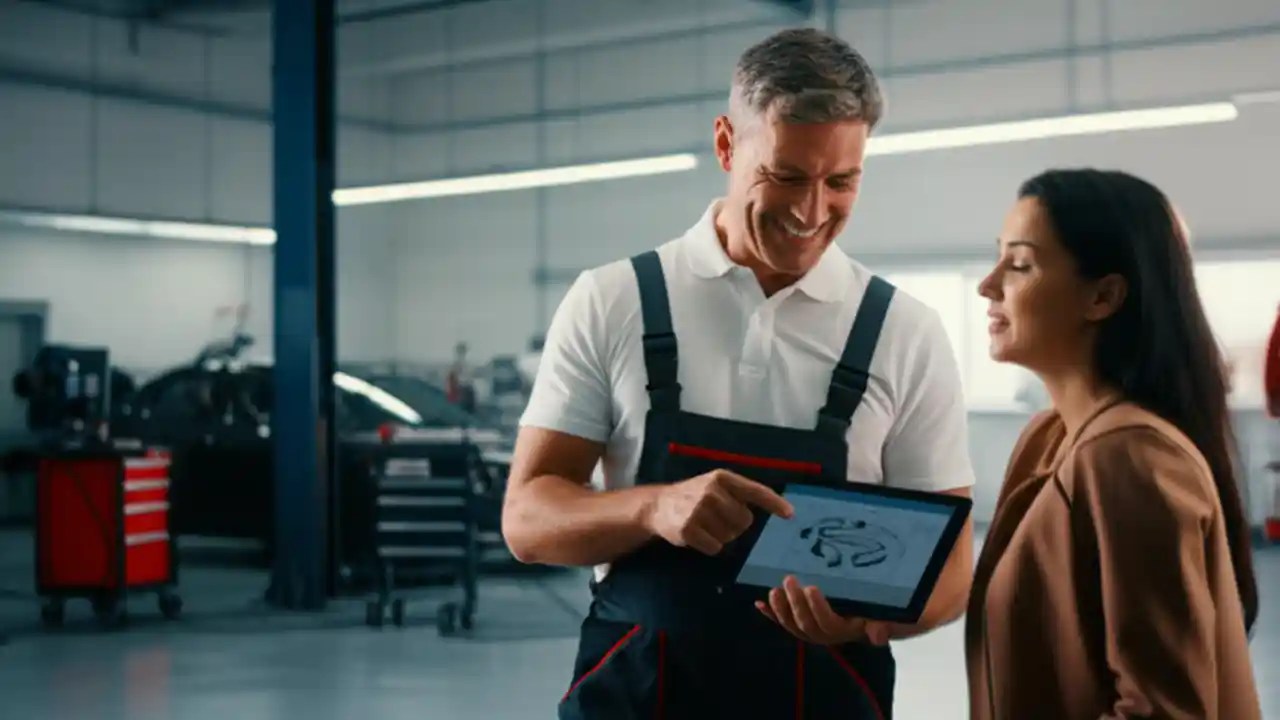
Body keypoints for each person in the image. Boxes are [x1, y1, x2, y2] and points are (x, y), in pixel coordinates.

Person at [503, 28, 976, 719]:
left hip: (826, 693)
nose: (811, 212)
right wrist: (651, 507)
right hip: (637, 693)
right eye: (785, 176)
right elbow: (527, 519)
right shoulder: (615, 300)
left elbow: (952, 570)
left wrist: (862, 624)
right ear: (727, 144)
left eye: (841, 182)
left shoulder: (904, 333)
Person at [966, 168, 1262, 719]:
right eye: (998, 258)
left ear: (1103, 296)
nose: (988, 284)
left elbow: (1162, 712)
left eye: (1021, 264)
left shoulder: (1128, 456)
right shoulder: (1048, 437)